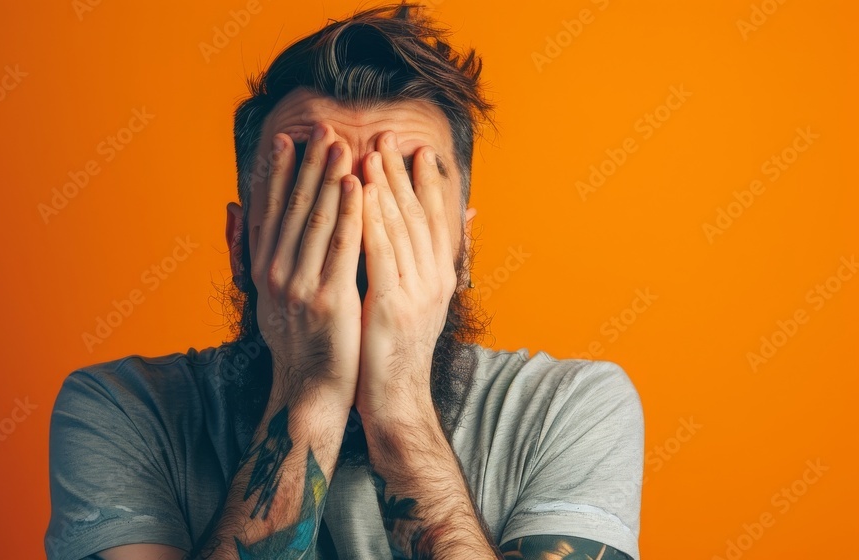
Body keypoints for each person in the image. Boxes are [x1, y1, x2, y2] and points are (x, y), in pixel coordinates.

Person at [44, 3, 644, 559]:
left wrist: (399, 403)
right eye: (311, 198)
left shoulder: (569, 410)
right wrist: (308, 391)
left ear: (461, 251)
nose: (357, 234)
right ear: (240, 244)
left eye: (402, 197)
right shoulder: (122, 411)